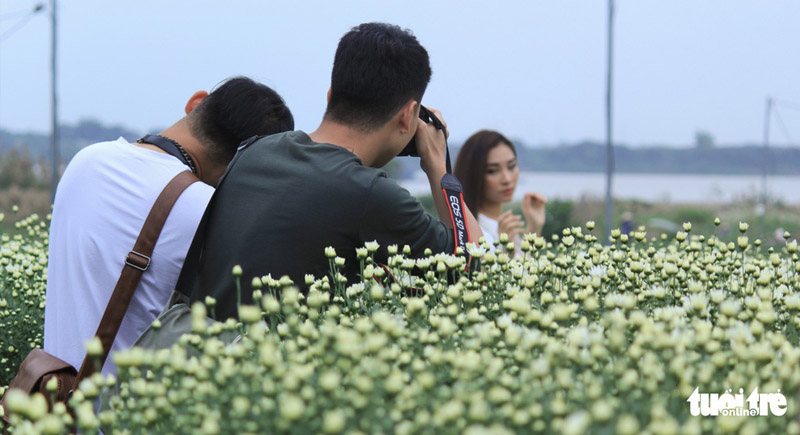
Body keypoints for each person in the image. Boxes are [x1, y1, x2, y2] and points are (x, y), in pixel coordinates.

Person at [176, 22, 483, 321]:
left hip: (207, 353)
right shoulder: (368, 191)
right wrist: (437, 166)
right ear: (407, 116)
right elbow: (474, 265)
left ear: (330, 95)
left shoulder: (255, 151)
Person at [43, 76, 294, 375]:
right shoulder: (205, 207)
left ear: (195, 102)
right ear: (249, 163)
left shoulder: (86, 161)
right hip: (128, 416)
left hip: (52, 404)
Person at [453, 130, 547, 250]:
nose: (507, 179)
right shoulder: (471, 232)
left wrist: (534, 226)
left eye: (511, 166)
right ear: (472, 174)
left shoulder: (502, 225)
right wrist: (506, 250)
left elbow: (524, 265)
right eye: (492, 171)